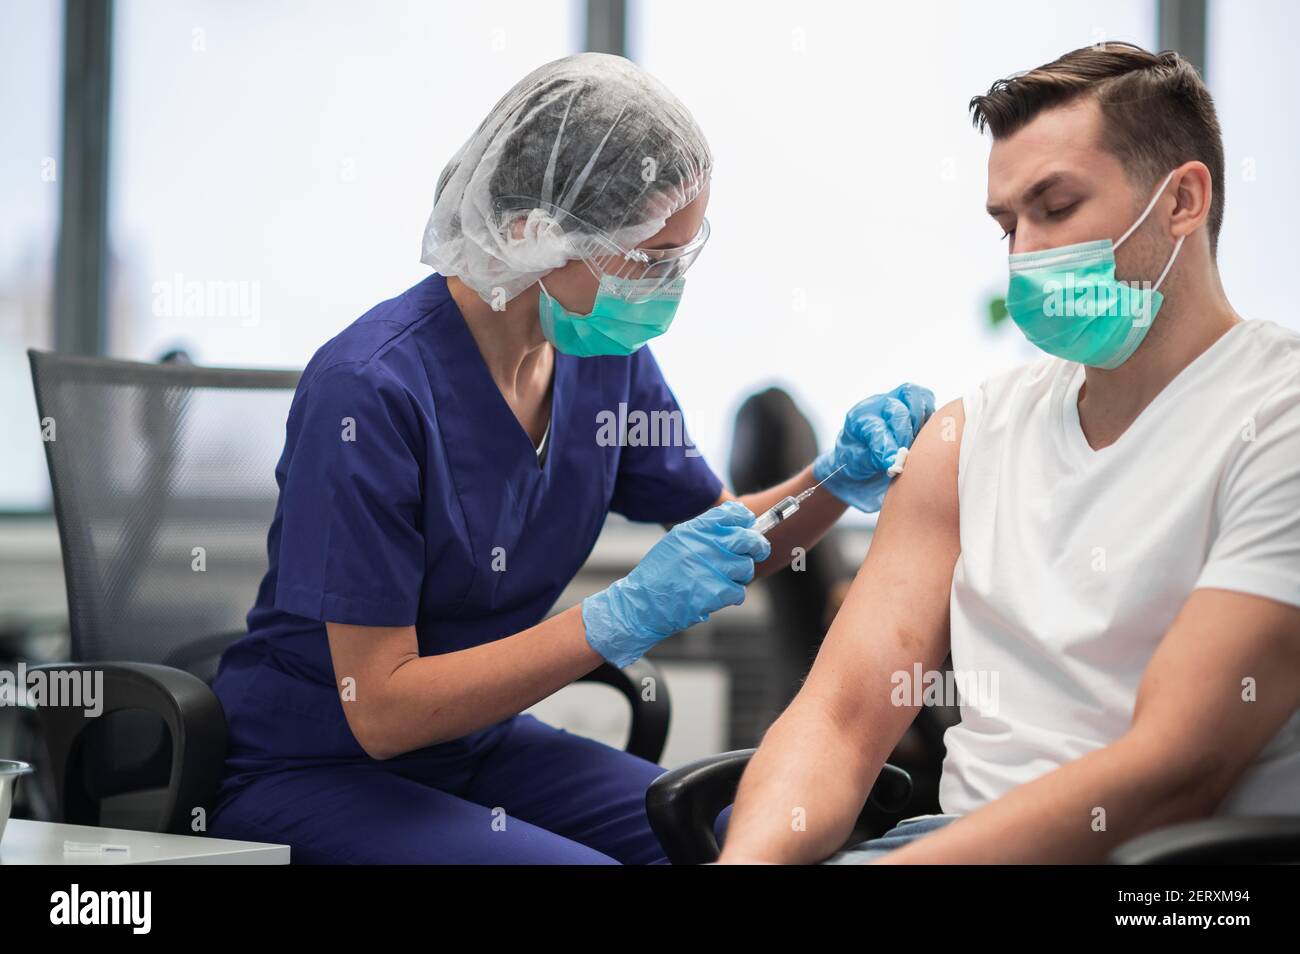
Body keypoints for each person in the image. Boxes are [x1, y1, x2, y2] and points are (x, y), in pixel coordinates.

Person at [207, 52, 934, 864]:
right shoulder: (369, 390)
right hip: (317, 766)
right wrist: (614, 619)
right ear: (536, 234)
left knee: (743, 840)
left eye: (683, 255)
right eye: (653, 256)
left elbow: (733, 541)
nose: (670, 284)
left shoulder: (600, 356)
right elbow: (380, 711)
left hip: (476, 750)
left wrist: (833, 481)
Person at [714, 43, 1300, 864]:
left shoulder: (1279, 422)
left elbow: (1177, 767)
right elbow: (840, 721)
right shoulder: (969, 434)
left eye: (1055, 208)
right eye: (1006, 224)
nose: (1024, 254)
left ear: (1183, 202)